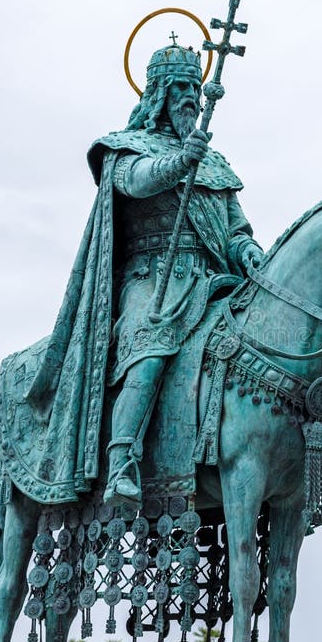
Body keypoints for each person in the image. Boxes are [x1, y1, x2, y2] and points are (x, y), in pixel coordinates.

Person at [85, 43, 263, 505]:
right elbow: (139, 181)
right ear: (159, 91)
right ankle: (122, 460)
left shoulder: (215, 163)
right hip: (151, 280)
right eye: (181, 87)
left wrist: (250, 254)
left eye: (195, 88)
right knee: (151, 345)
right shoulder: (124, 148)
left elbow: (235, 229)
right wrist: (181, 161)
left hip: (211, 281)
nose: (191, 97)